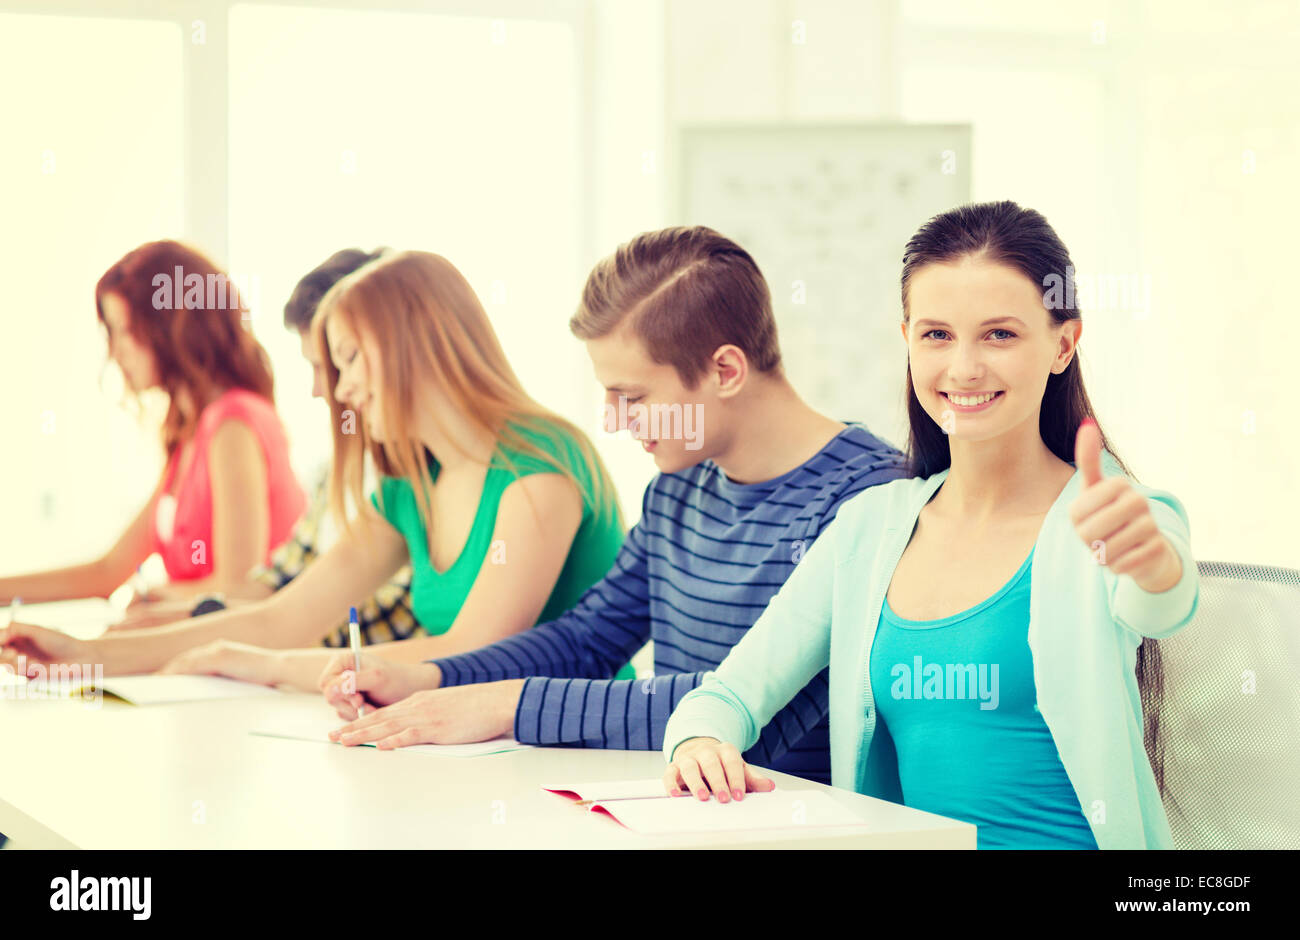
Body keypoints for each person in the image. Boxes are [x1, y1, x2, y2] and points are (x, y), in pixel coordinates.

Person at [659, 201, 1200, 850]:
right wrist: (697, 740)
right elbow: (731, 694)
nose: (964, 368)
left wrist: (1150, 563)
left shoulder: (1111, 513)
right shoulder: (867, 528)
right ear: (908, 340)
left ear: (1063, 345)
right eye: (937, 335)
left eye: (999, 335)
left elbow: (1164, 599)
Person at [309, 226, 909, 789]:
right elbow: (587, 639)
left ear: (725, 370)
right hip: (688, 817)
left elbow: (751, 704)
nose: (614, 420)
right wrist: (432, 678)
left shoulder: (868, 500)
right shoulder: (678, 487)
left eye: (633, 396)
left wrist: (503, 705)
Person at [0, 250, 625, 681]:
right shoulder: (410, 487)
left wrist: (266, 666)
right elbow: (283, 615)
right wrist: (84, 652)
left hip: (568, 767)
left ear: (412, 346)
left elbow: (472, 651)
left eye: (350, 360)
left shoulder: (541, 464)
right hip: (469, 753)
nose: (341, 390)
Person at [108, 248, 420, 649]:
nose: (323, 389)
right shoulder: (337, 470)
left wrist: (184, 633)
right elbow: (278, 588)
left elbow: (291, 612)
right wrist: (180, 620)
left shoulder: (233, 421)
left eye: (337, 362)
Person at [0, 240, 306, 610]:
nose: (115, 353)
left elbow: (237, 587)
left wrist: (155, 599)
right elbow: (108, 572)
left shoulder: (233, 424)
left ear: (174, 326)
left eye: (124, 330)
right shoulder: (192, 435)